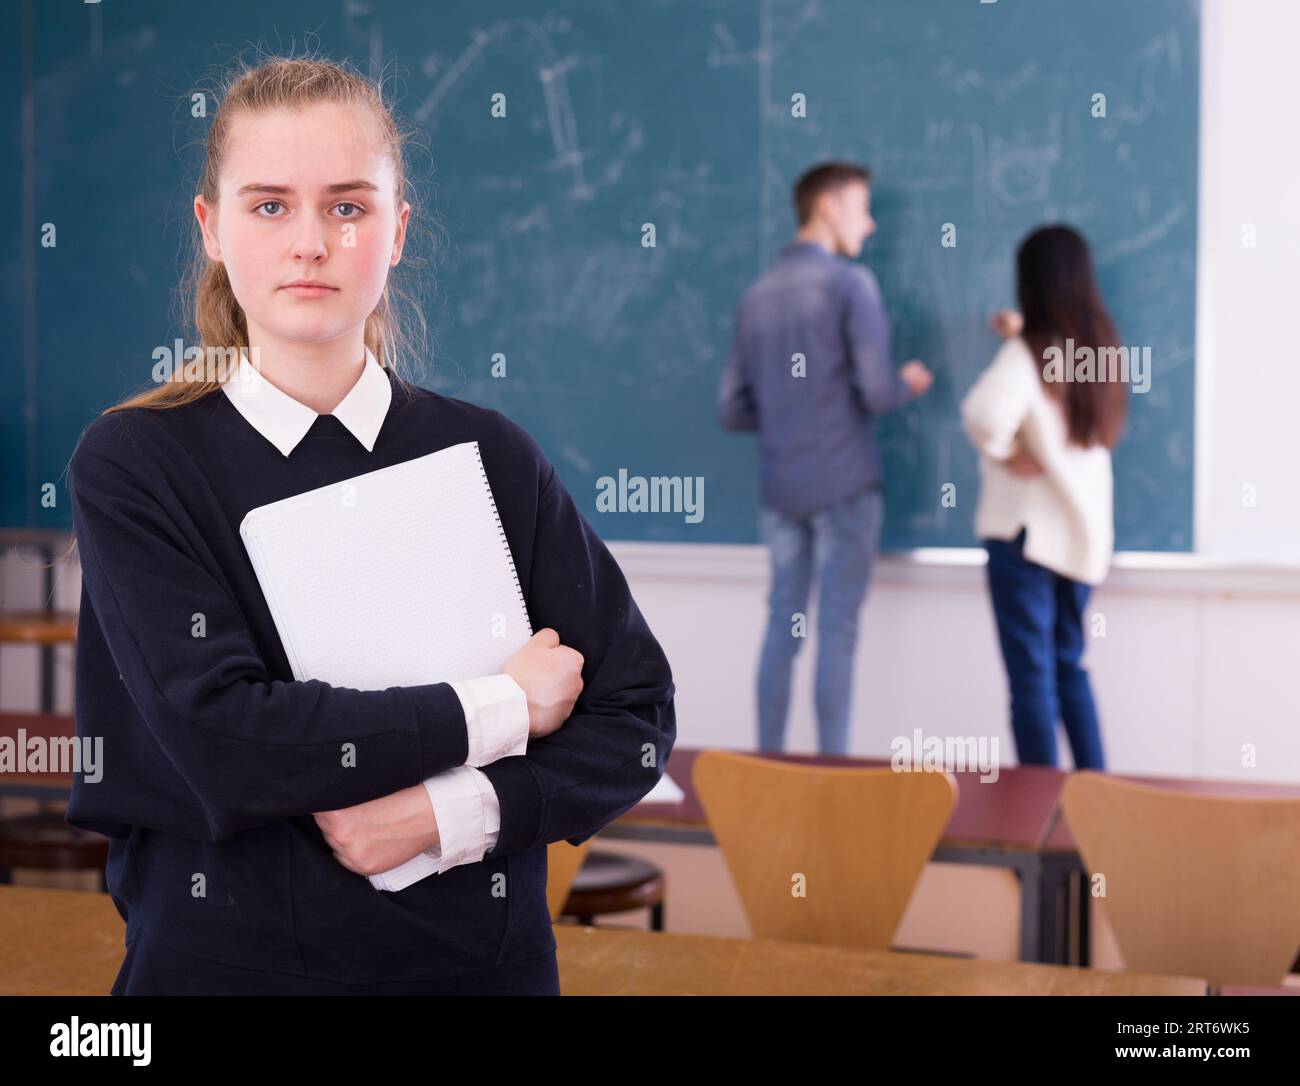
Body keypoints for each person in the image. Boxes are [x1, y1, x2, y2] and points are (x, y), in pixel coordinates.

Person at [63, 55, 676, 995]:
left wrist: (449, 812)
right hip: (227, 972)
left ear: (397, 231)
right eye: (269, 205)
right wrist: (507, 704)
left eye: (348, 207)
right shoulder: (135, 464)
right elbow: (226, 741)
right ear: (211, 228)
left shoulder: (493, 455)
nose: (310, 242)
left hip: (480, 972)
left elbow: (635, 719)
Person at [717, 161, 933, 754]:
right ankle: (830, 777)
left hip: (780, 492)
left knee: (782, 624)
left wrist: (790, 408)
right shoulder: (851, 285)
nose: (869, 226)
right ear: (828, 207)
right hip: (844, 486)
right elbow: (878, 392)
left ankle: (764, 769)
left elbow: (731, 409)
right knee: (836, 629)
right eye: (863, 209)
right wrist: (911, 380)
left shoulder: (757, 295)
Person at [960, 224, 1129, 770]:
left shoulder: (1027, 353)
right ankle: (1095, 808)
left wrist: (1006, 453)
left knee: (1031, 682)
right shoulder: (1101, 347)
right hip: (1079, 541)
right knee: (1070, 669)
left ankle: (1042, 828)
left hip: (1025, 538)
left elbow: (983, 415)